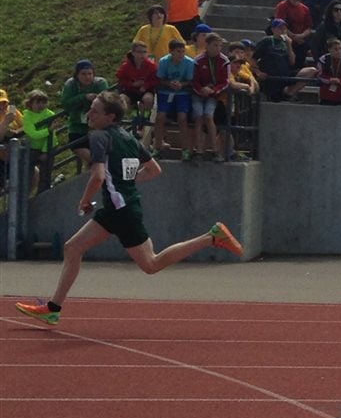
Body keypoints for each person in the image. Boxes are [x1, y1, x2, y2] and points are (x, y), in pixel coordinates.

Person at [14, 92, 244, 327]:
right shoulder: (128, 138)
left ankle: (211, 237)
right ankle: (53, 309)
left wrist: (85, 200)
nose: (89, 114)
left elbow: (98, 175)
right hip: (118, 208)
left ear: (110, 117)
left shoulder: (100, 137)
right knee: (73, 248)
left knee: (151, 264)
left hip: (121, 211)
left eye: (95, 110)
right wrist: (125, 183)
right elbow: (154, 170)